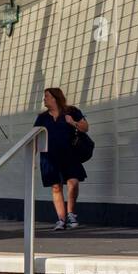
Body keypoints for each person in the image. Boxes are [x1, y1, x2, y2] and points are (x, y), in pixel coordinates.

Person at [33, 87, 89, 230]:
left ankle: (71, 214)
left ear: (55, 98)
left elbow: (85, 127)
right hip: (49, 157)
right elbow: (35, 139)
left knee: (73, 182)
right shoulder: (42, 118)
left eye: (46, 96)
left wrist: (73, 123)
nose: (44, 99)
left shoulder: (72, 112)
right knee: (56, 186)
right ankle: (61, 219)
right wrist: (32, 159)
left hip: (70, 154)